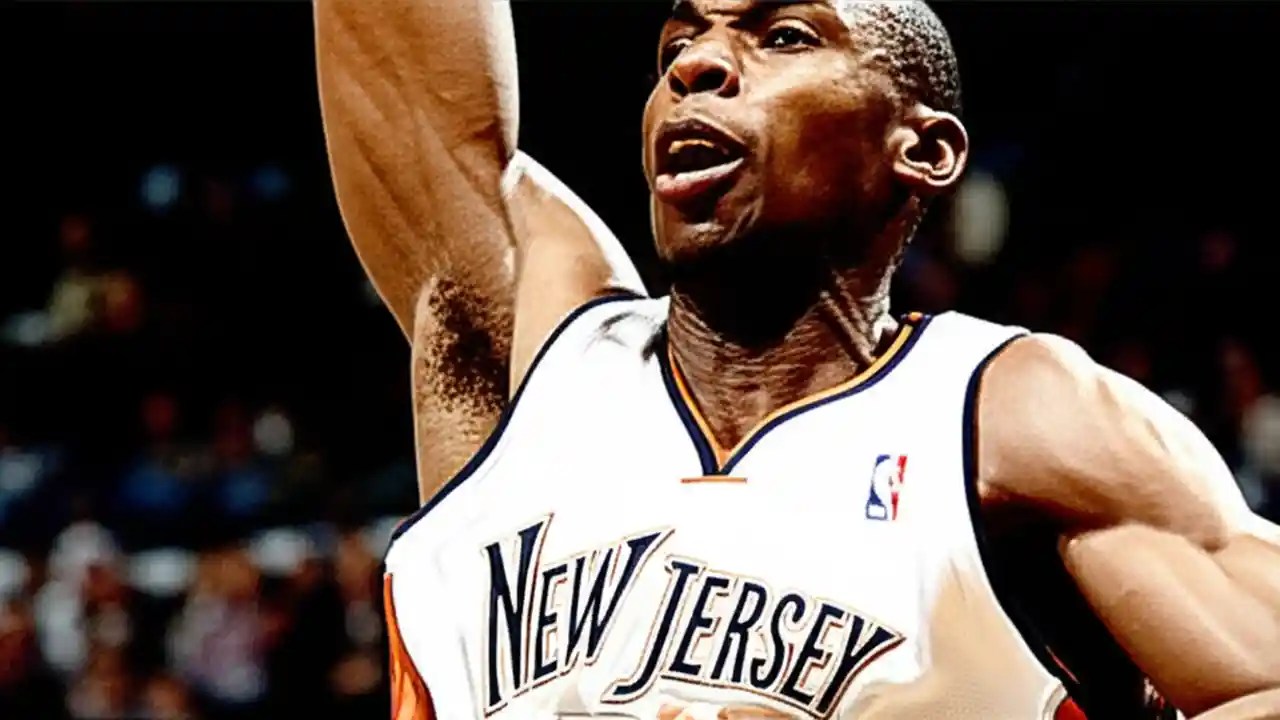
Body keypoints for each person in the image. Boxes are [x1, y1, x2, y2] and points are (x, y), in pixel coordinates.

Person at [314, 1, 1280, 718]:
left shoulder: (1011, 414)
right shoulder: (543, 350)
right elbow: (405, 77)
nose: (697, 64)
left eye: (781, 36)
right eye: (677, 45)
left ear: (925, 149)